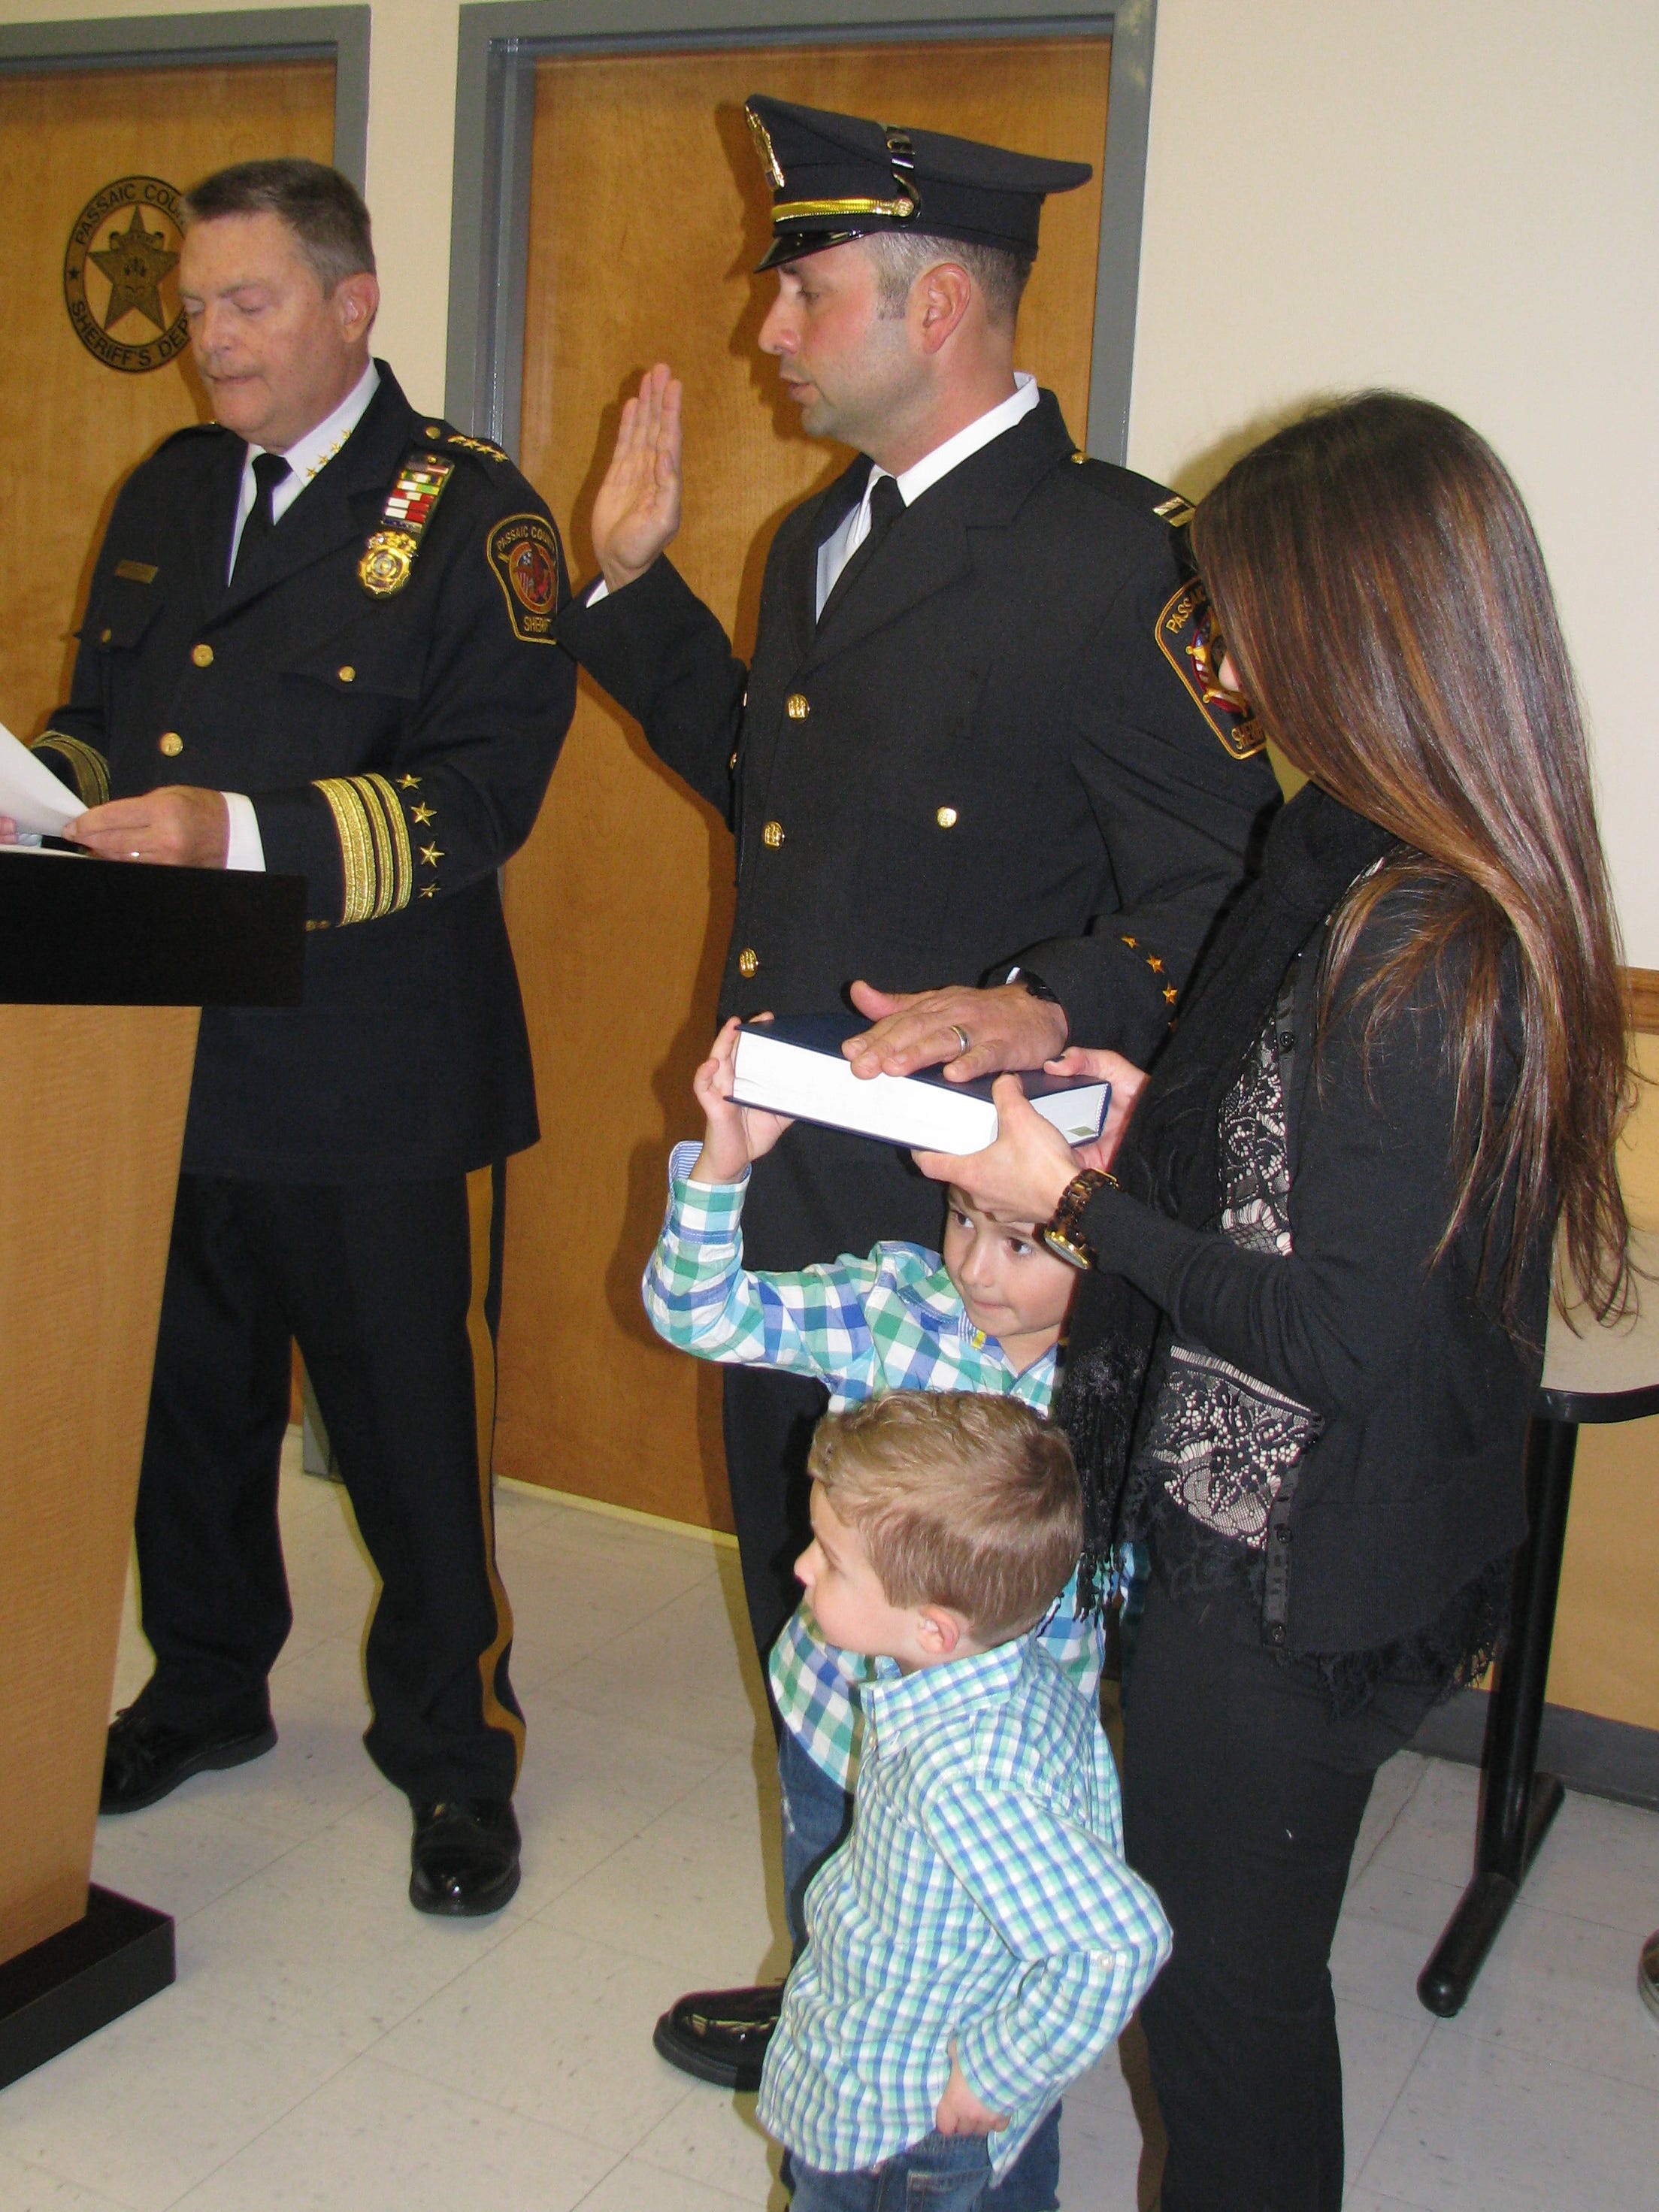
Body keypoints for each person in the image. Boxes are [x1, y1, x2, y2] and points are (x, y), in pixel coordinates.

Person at [557, 92, 1279, 2079]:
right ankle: (842, 1979)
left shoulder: (1109, 553)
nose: (765, 327)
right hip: (788, 1192)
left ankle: (959, 2053)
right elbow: (784, 806)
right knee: (826, 1635)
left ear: (934, 298)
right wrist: (623, 596)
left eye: (800, 289)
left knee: (964, 1678)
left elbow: (1224, 884)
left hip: (971, 1247)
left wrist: (1039, 999)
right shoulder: (809, 543)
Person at [910, 392, 1636, 2210]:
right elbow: (1276, 1145)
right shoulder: (1349, 849)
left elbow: (1337, 1336)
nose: (1219, 661)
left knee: (1226, 2011)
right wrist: (1103, 1107)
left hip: (1296, 1567)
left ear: (1348, 622)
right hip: (1269, 1515)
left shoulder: (1424, 942)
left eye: (1236, 620)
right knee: (1221, 1975)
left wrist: (1068, 1205)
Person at [21, 159, 574, 1916]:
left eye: (244, 301)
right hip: (160, 1052)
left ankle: (451, 1749)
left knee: (406, 1431)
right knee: (183, 1415)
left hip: (372, 1066)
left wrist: (241, 829)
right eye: (193, 307)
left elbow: (484, 792)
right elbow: (109, 722)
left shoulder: (475, 515)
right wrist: (56, 800)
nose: (208, 339)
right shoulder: (172, 490)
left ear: (354, 301)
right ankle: (204, 1685)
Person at [757, 1392, 1170, 2212]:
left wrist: (996, 2068)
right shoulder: (1014, 1675)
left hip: (897, 2129)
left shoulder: (963, 1774)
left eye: (832, 1560)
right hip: (941, 2051)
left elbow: (1119, 1941)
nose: (801, 1566)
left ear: (935, 1628)